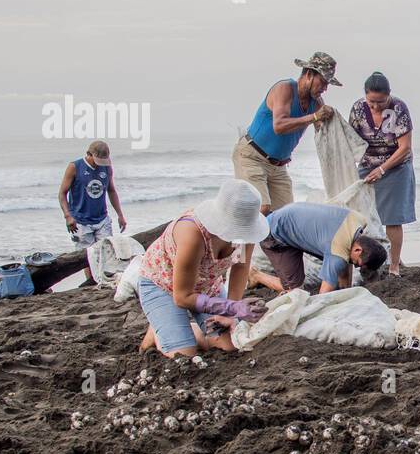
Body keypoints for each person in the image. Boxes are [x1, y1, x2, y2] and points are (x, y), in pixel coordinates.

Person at [136, 180, 269, 357]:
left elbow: (241, 267)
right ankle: (161, 327)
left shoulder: (247, 231)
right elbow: (182, 297)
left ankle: (174, 327)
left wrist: (229, 311)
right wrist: (230, 307)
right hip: (163, 285)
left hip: (206, 287)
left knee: (231, 345)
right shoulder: (192, 234)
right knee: (184, 354)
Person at [234, 52, 341, 216]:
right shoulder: (285, 89)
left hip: (278, 166)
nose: (325, 89)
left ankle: (266, 242)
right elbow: (279, 125)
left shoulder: (316, 102)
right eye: (323, 82)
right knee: (261, 207)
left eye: (328, 85)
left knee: (286, 215)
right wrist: (313, 117)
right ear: (309, 74)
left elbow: (323, 132)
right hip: (252, 156)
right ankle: (242, 240)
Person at [349, 71, 414, 276]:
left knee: (392, 217)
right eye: (371, 101)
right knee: (361, 215)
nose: (376, 106)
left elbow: (404, 147)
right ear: (365, 96)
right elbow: (352, 141)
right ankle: (368, 259)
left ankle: (394, 266)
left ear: (389, 95)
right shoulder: (358, 109)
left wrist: (383, 169)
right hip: (368, 163)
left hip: (396, 166)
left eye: (380, 101)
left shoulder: (399, 108)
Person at [255, 202, 387, 295]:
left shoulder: (359, 220)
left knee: (344, 260)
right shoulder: (337, 252)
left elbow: (345, 258)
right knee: (296, 292)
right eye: (358, 263)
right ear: (358, 250)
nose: (357, 267)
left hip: (292, 217)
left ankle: (344, 289)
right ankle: (255, 275)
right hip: (274, 234)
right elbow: (322, 296)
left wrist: (345, 293)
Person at [58, 140, 126, 283]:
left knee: (107, 252)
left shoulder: (107, 168)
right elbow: (62, 193)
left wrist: (120, 215)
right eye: (97, 161)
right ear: (89, 154)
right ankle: (91, 282)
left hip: (101, 219)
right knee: (87, 256)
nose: (99, 164)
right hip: (80, 221)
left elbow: (111, 190)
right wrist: (67, 216)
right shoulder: (75, 167)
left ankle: (106, 279)